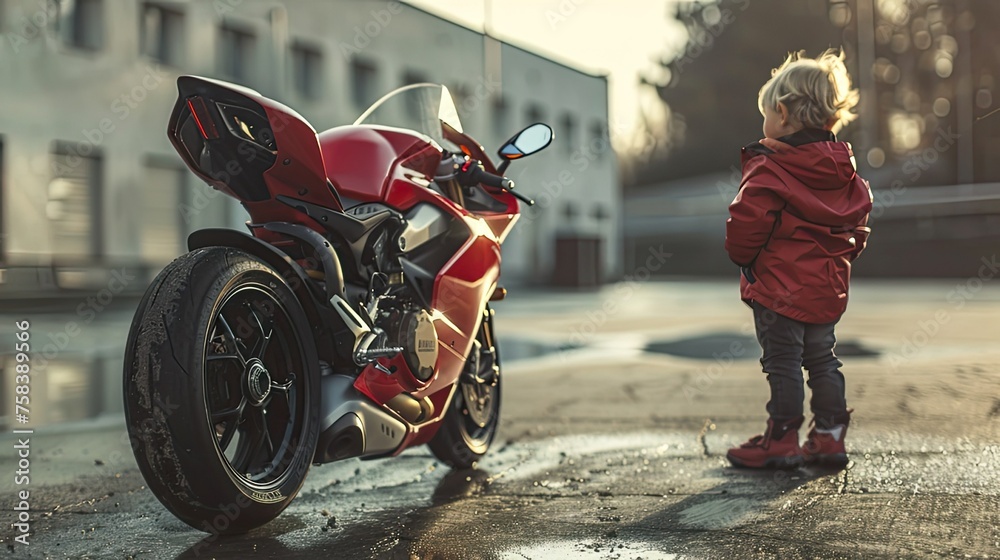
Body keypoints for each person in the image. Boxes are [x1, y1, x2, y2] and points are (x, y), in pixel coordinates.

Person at [724, 49, 873, 469]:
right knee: (823, 360)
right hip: (826, 290)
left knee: (783, 364)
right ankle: (829, 436)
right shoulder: (847, 174)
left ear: (784, 113)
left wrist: (745, 260)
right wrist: (838, 260)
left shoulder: (770, 169)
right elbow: (859, 225)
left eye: (767, 114)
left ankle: (782, 438)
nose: (764, 124)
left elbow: (744, 224)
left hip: (777, 291)